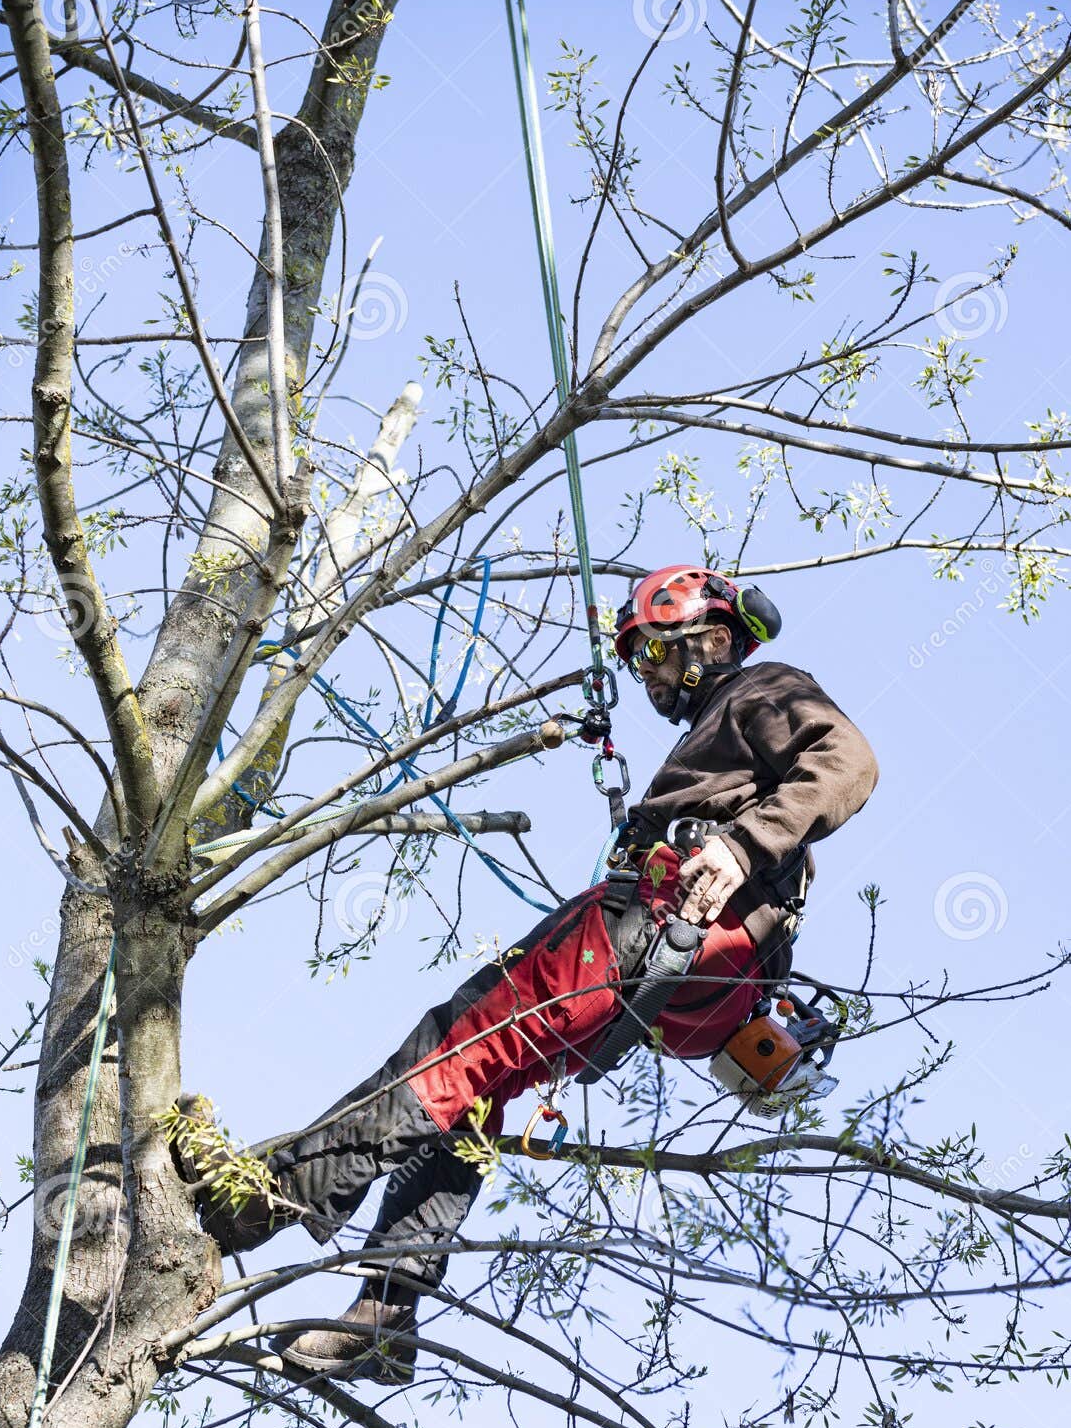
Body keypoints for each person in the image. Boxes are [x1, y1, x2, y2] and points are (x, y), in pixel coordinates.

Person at [174, 566, 879, 1382]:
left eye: (652, 651)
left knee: (457, 1042)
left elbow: (848, 758)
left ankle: (267, 1197)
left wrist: (737, 844)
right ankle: (385, 1310)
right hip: (690, 979)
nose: (643, 671)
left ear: (712, 638)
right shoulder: (719, 732)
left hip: (661, 927)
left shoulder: (765, 687)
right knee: (479, 1090)